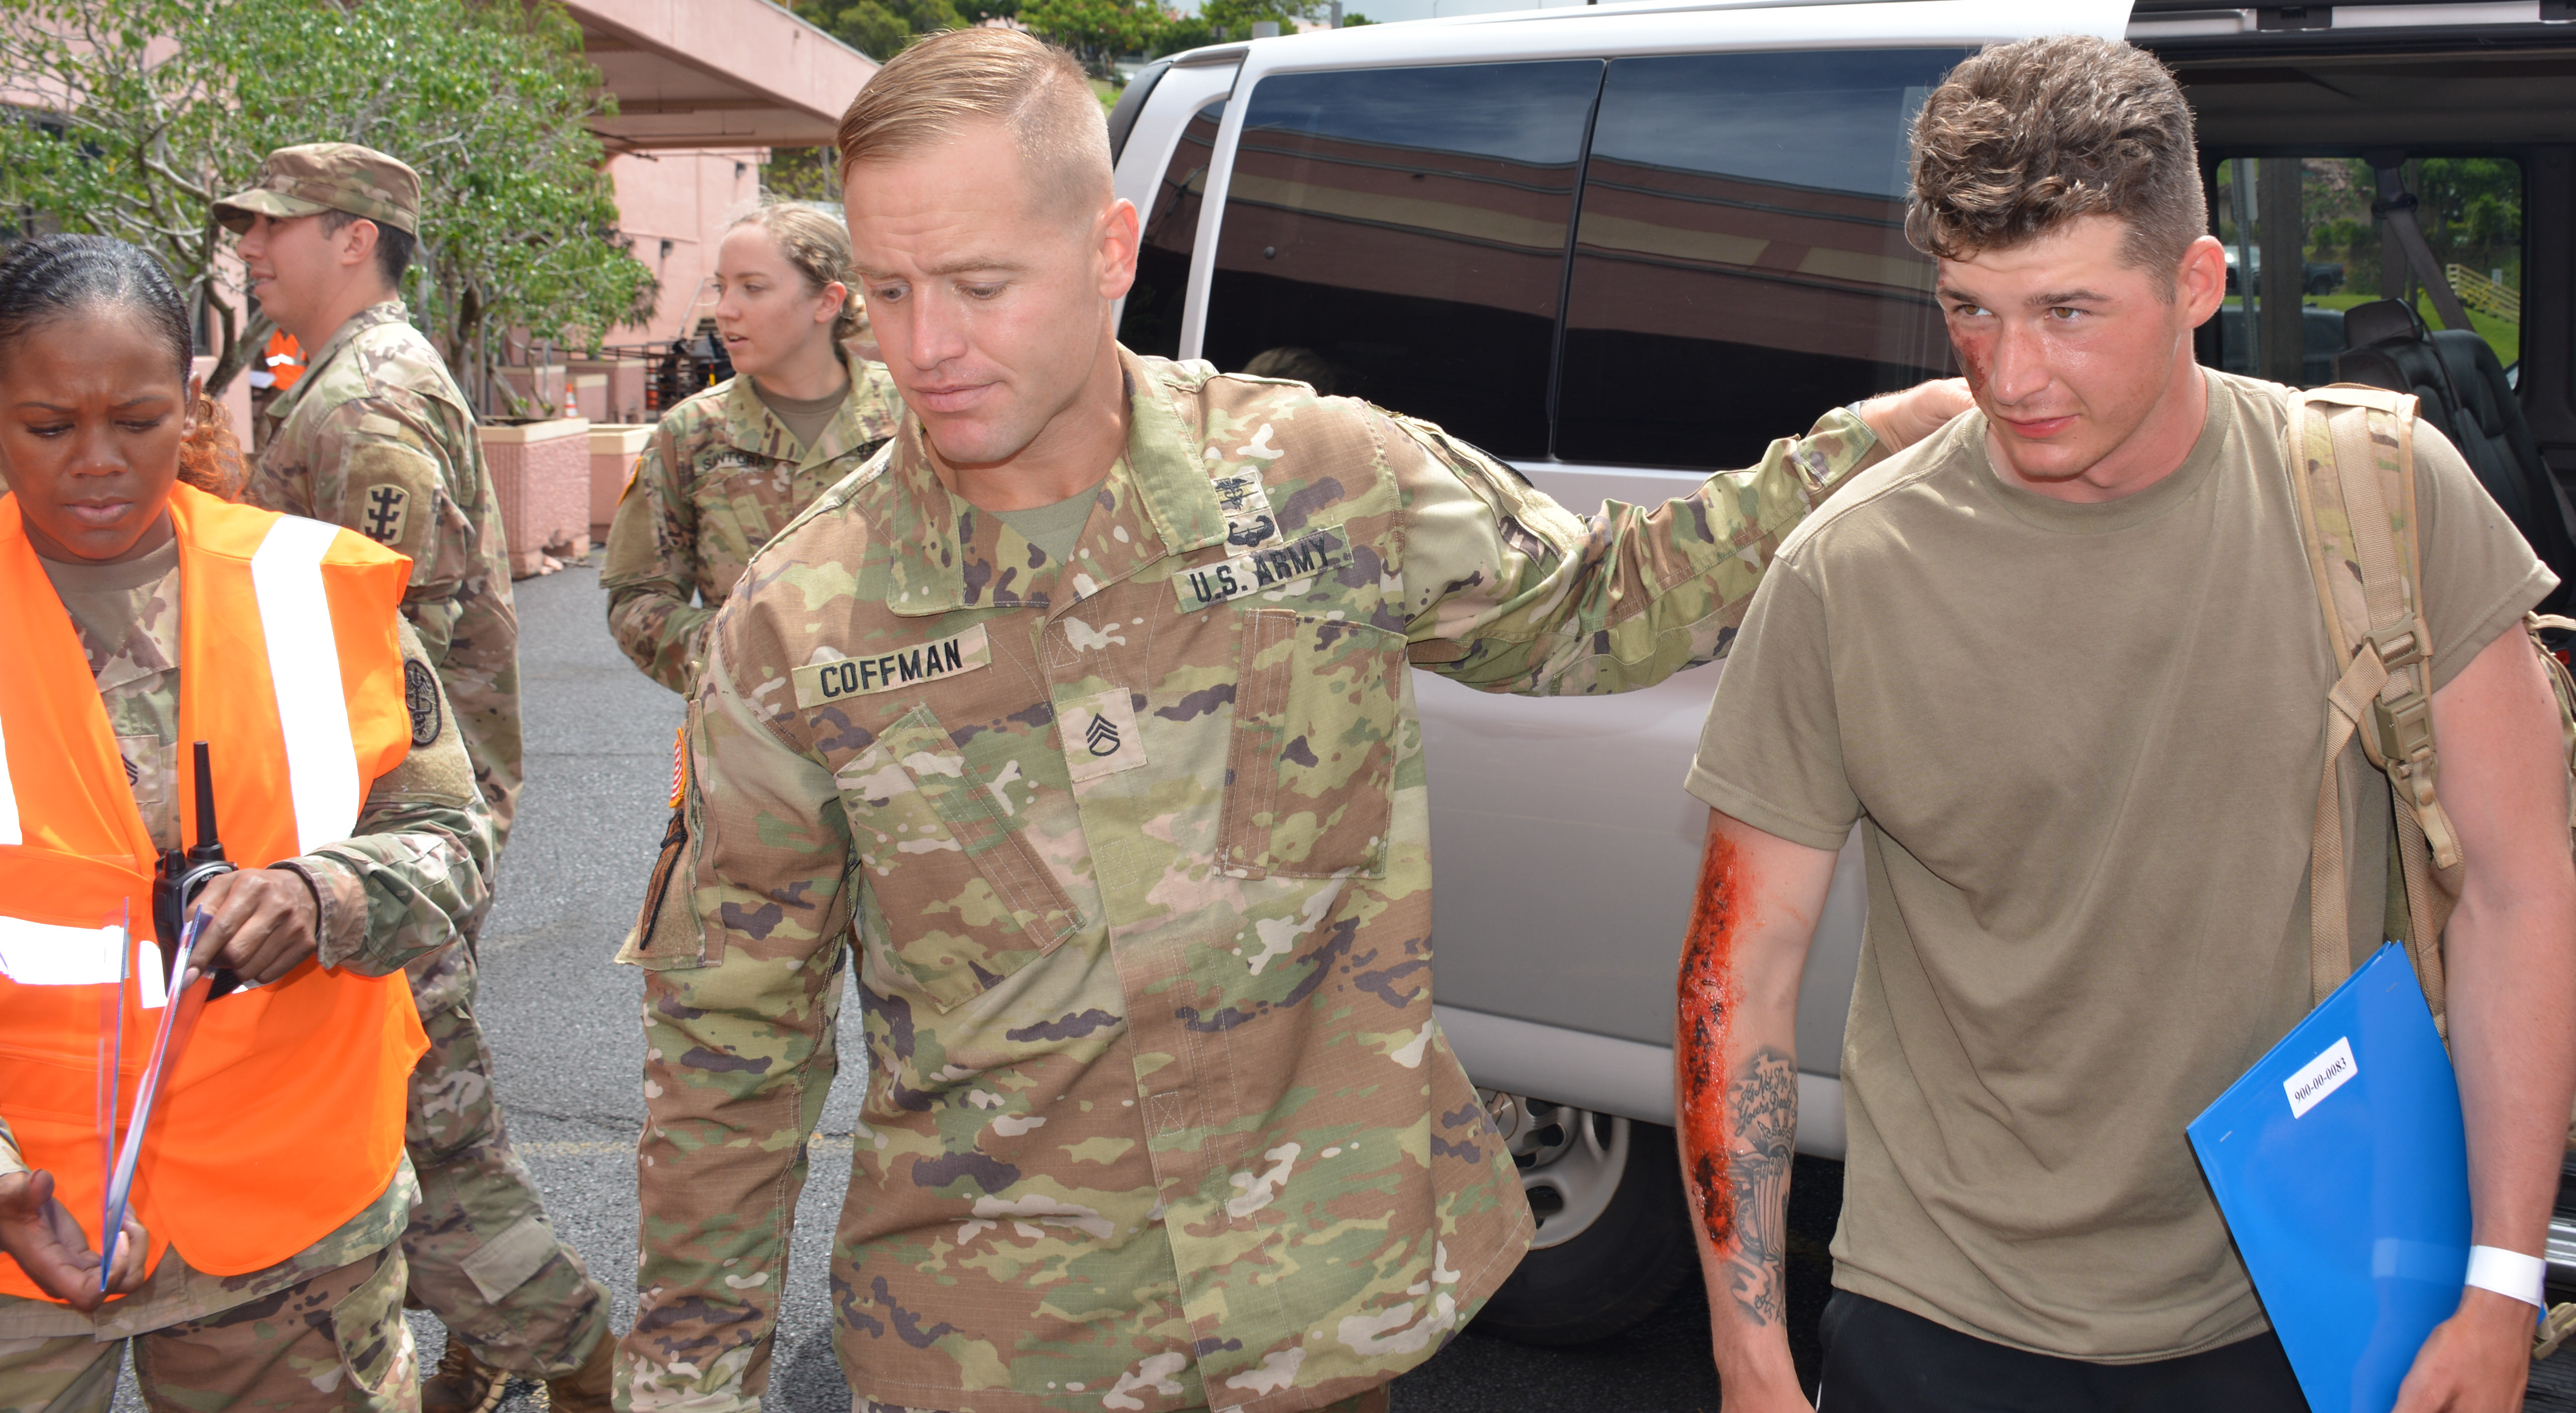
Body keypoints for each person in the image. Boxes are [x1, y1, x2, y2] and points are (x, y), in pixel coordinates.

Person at [614, 28, 1970, 1413]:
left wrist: (1866, 444)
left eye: (977, 284)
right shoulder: (799, 621)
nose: (926, 345)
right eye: (888, 292)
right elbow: (733, 1051)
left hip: (1313, 1322)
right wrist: (687, 1381)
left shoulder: (1321, 479)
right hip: (1003, 1351)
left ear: (1108, 248)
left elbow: (1598, 603)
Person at [1676, 36, 2576, 1413]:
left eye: (2068, 311)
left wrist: (2500, 1283)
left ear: (2196, 284)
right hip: (1942, 1309)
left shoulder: (2386, 500)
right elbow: (1741, 964)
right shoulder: (1845, 571)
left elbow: (2517, 893)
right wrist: (1749, 1358)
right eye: (1967, 309)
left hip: (2304, 1296)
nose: (2008, 371)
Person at [0, 233, 497, 1413]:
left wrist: (325, 895)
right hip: (24, 1229)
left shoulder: (318, 591)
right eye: (46, 425)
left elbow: (452, 840)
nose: (97, 463)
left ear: (192, 405)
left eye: (137, 417)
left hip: (298, 1236)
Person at [216, 143, 614, 1413]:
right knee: (406, 1099)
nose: (250, 247)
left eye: (276, 226)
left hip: (381, 828)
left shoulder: (358, 407)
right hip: (373, 828)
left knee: (419, 1105)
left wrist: (352, 860)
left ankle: (559, 1332)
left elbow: (380, 647)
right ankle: (509, 1336)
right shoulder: (339, 379)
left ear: (356, 238)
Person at [602, 200, 905, 693]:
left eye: (753, 287)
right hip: (748, 744)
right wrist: (736, 657)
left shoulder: (915, 418)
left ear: (826, 302)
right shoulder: (692, 433)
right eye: (721, 287)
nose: (724, 309)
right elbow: (636, 599)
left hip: (906, 733)